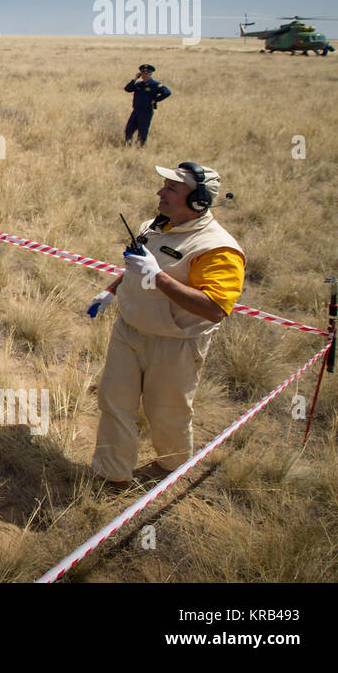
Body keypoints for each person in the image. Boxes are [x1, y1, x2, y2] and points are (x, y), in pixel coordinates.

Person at [88, 163, 245, 486]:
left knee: (167, 412)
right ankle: (112, 475)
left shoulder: (218, 249)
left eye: (172, 189)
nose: (161, 192)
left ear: (199, 201)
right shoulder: (155, 226)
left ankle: (172, 467)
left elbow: (214, 309)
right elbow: (140, 267)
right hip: (129, 329)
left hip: (175, 343)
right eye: (163, 185)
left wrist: (155, 276)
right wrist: (111, 291)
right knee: (114, 403)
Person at [123, 64, 171, 147]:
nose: (144, 75)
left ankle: (140, 148)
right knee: (129, 129)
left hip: (146, 112)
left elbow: (167, 92)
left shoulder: (155, 85)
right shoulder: (139, 84)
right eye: (142, 73)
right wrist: (134, 79)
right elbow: (127, 89)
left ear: (150, 74)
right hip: (136, 111)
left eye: (147, 73)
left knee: (142, 131)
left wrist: (156, 100)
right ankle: (128, 146)